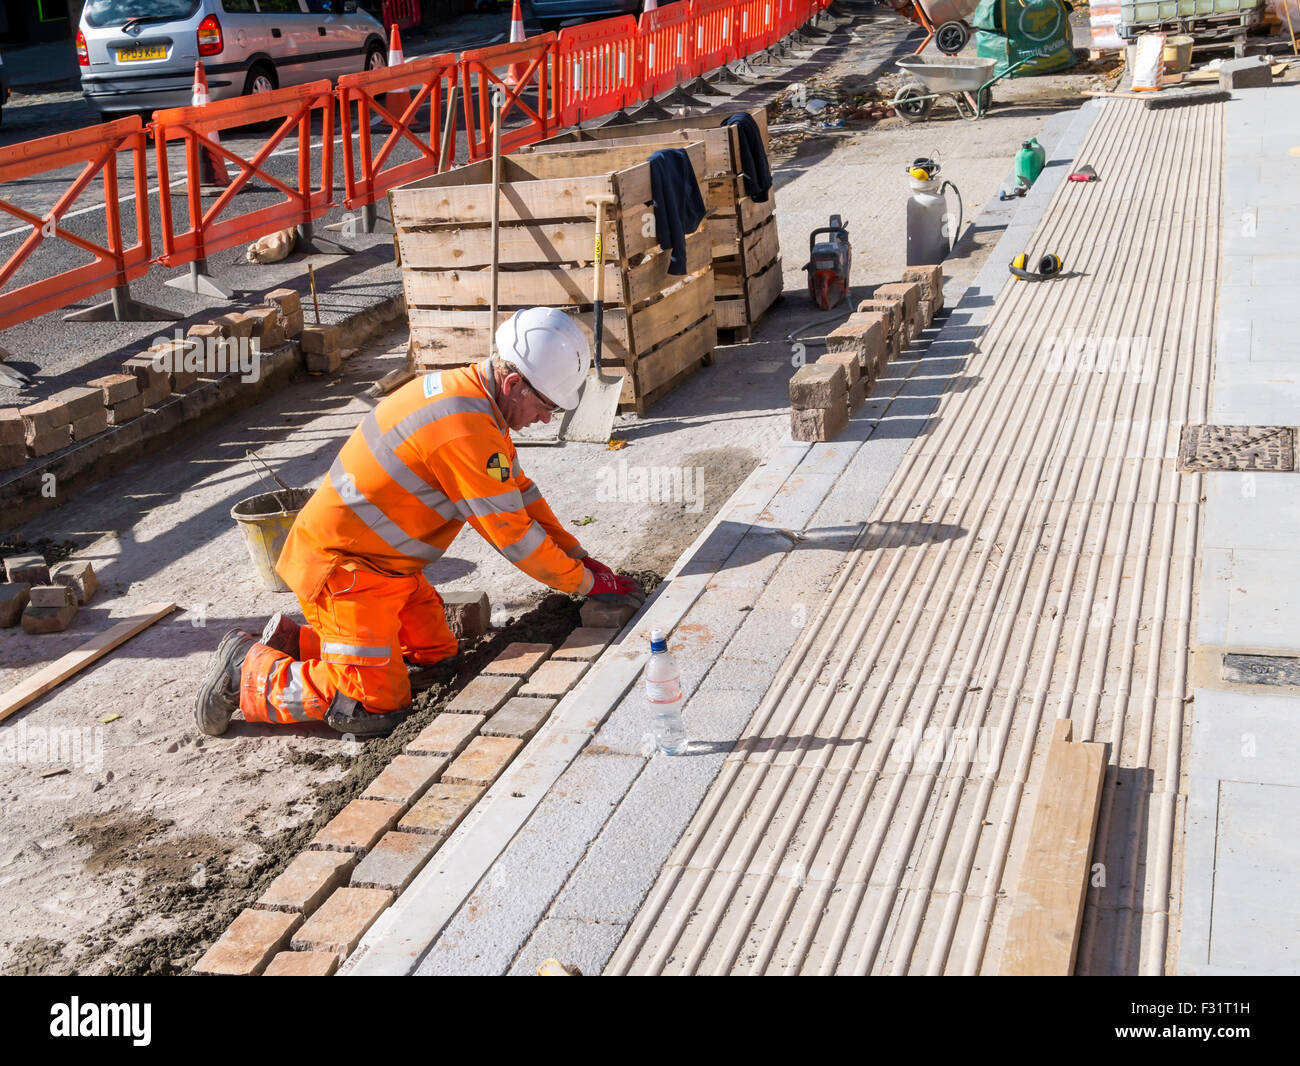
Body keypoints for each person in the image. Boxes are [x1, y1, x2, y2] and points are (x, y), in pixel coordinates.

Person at [195, 307, 645, 738]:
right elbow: (514, 537)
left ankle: (305, 645)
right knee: (373, 708)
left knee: (439, 660)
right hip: (343, 573)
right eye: (546, 405)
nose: (547, 417)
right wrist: (584, 585)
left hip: (389, 570)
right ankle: (248, 671)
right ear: (512, 384)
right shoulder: (464, 430)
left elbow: (522, 498)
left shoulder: (472, 401)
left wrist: (581, 558)